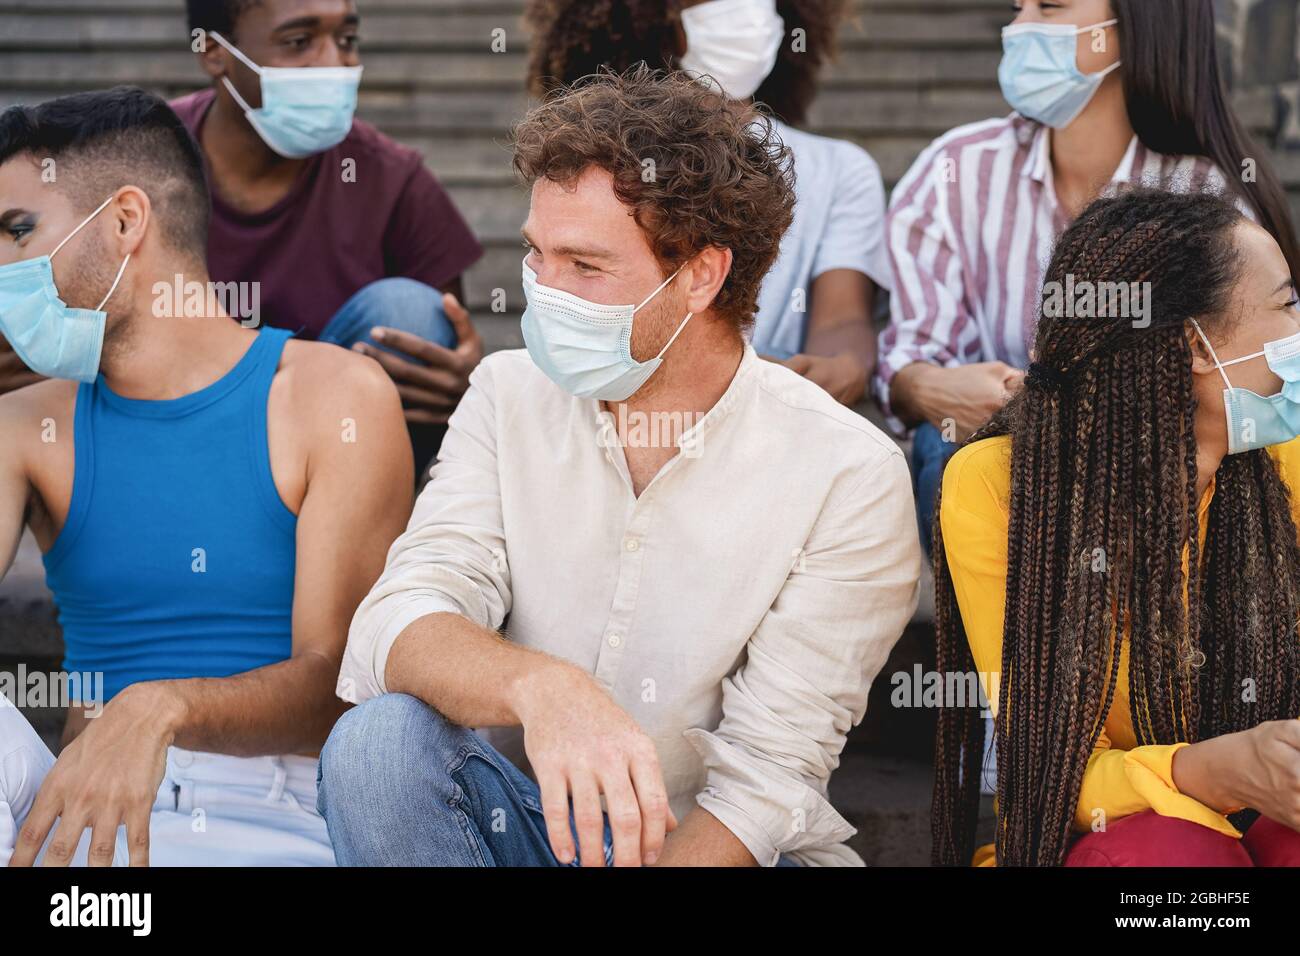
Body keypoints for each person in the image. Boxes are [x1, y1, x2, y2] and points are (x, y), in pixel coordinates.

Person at [315, 67, 922, 867]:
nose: (545, 292)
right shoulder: (507, 394)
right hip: (525, 827)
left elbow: (765, 784)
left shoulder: (848, 470)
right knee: (376, 745)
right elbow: (401, 618)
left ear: (701, 274)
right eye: (537, 255)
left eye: (586, 266)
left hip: (712, 853)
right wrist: (545, 690)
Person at [0, 87, 412, 865]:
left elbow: (336, 688)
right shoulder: (27, 425)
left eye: (18, 230)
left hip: (275, 813)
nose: (2, 263)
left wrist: (162, 706)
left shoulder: (331, 397)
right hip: (76, 815)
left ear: (124, 222)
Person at [933, 188, 1300, 867]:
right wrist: (1214, 771)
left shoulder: (1283, 455)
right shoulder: (1003, 487)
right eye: (1287, 306)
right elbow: (1053, 773)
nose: (1298, 326)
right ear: (1194, 344)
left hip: (1281, 815)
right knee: (1169, 856)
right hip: (1113, 839)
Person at [877, 0, 1300, 553]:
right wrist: (930, 388)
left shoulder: (1209, 199)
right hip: (994, 460)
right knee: (951, 448)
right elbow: (910, 358)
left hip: (1160, 460)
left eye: (1049, 7)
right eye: (1017, 7)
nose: (1018, 27)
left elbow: (1247, 386)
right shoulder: (955, 171)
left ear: (1136, 28)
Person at [525, 0, 888, 407]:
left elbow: (843, 322)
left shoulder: (839, 168)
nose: (743, 11)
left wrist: (842, 367)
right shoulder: (598, 162)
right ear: (661, 21)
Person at [172, 0, 485, 471]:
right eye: (299, 42)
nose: (335, 64)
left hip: (333, 450)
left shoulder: (390, 178)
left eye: (347, 40)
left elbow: (444, 337)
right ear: (215, 53)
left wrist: (465, 380)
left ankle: (349, 530)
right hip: (183, 432)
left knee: (409, 314)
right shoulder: (148, 159)